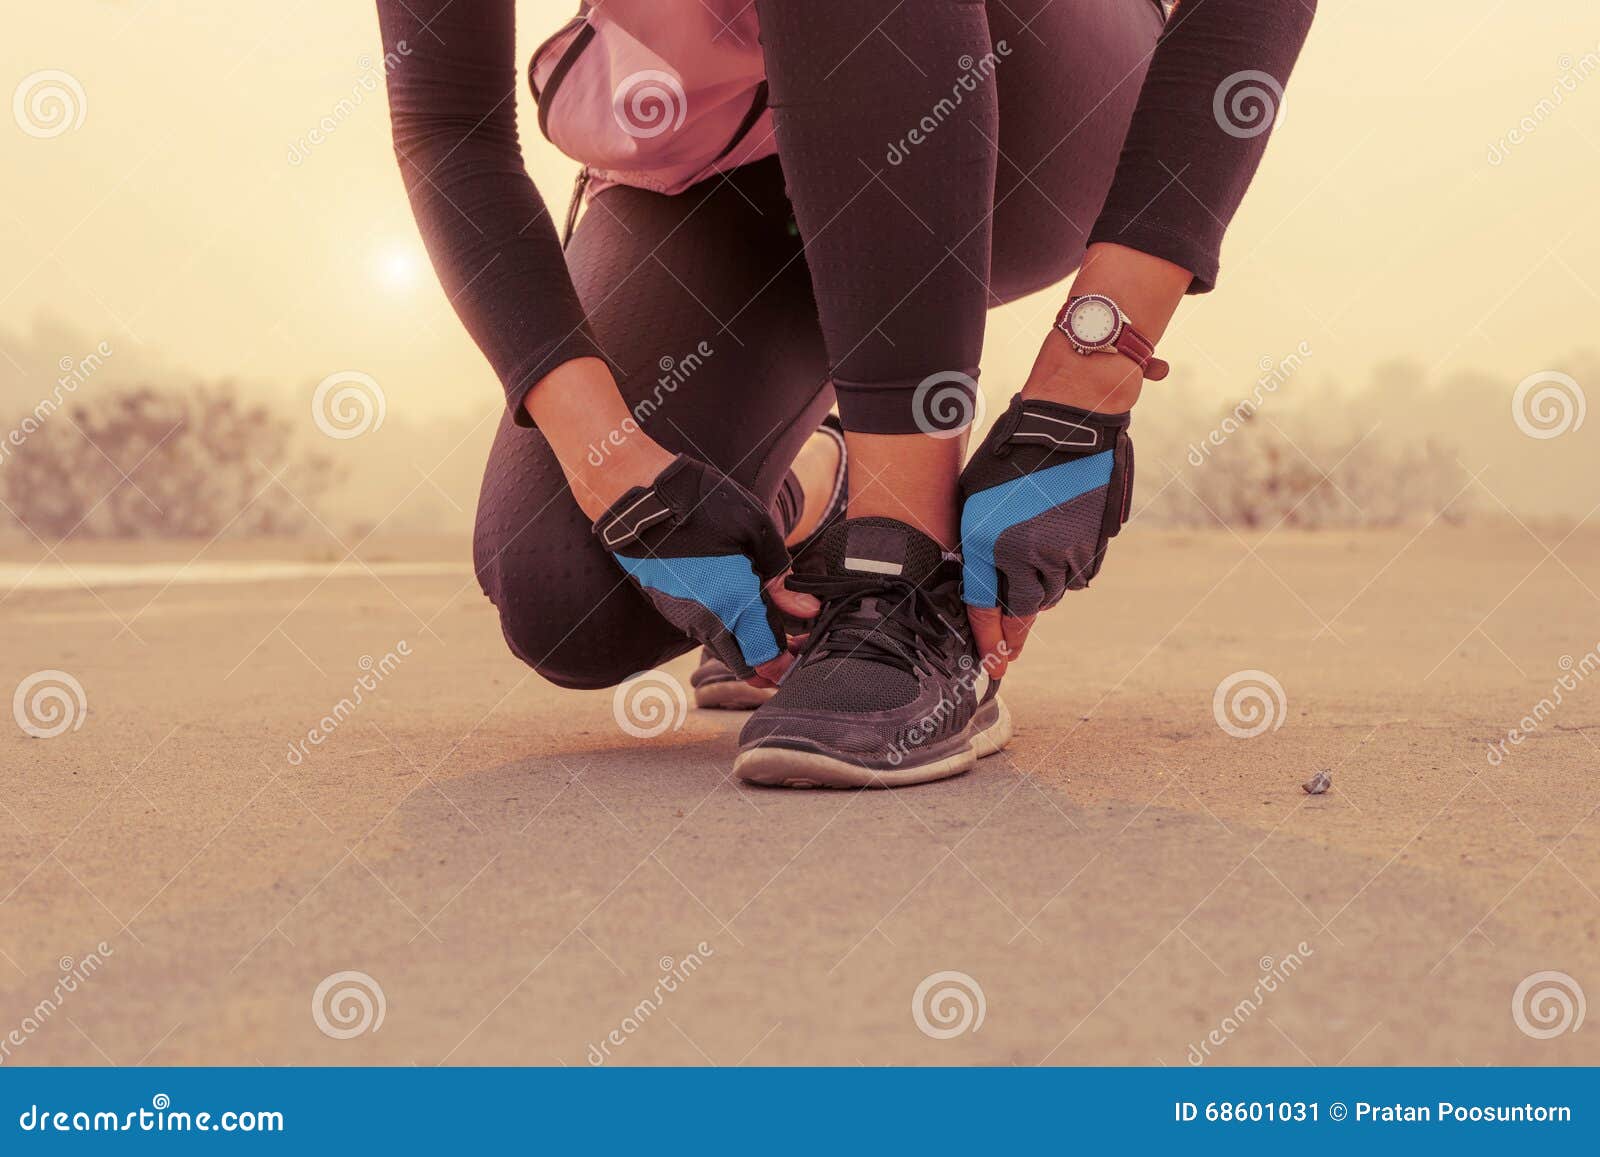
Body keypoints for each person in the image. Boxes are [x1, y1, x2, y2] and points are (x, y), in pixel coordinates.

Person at [374, 0, 1315, 788]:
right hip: (730, 153)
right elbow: (445, 120)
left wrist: (1088, 381)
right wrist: (615, 467)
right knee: (568, 597)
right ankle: (816, 490)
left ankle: (900, 560)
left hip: (1026, 83)